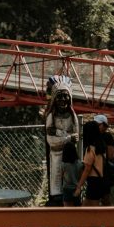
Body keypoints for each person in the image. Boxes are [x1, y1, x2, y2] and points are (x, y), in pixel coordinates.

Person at [43, 76, 78, 206]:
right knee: (56, 179)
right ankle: (56, 198)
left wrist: (59, 134)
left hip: (69, 156)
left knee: (69, 180)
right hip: (56, 154)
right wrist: (67, 137)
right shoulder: (51, 117)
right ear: (54, 99)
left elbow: (76, 136)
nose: (63, 100)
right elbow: (51, 141)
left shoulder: (72, 116)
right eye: (59, 96)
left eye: (65, 96)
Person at [74, 120, 110, 207]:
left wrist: (79, 185)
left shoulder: (90, 149)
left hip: (94, 182)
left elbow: (87, 169)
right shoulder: (101, 146)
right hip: (102, 179)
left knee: (94, 209)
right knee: (86, 206)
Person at [92, 113, 114, 204]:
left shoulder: (95, 136)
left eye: (98, 124)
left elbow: (110, 155)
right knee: (105, 197)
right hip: (103, 171)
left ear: (103, 125)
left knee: (96, 197)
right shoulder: (107, 136)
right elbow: (111, 155)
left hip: (96, 170)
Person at [59, 141, 82, 207]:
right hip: (76, 188)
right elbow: (81, 176)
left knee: (67, 209)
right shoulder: (79, 163)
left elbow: (61, 176)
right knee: (77, 208)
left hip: (66, 188)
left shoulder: (63, 164)